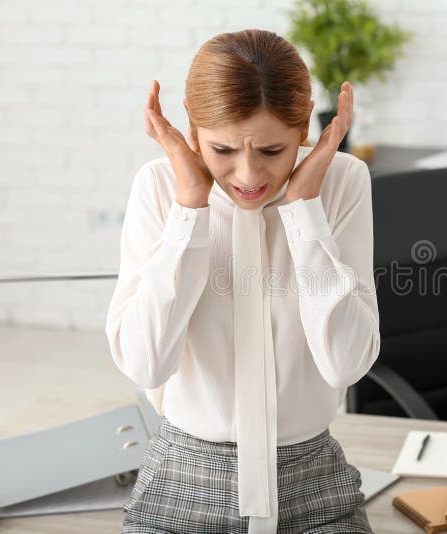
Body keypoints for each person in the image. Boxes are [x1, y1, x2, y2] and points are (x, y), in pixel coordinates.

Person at [105, 29, 380, 533]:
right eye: (223, 149)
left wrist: (304, 211)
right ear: (192, 129)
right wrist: (190, 209)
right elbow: (146, 363)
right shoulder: (159, 188)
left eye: (272, 150)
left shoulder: (342, 182)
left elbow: (346, 364)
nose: (248, 174)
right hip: (180, 479)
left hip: (313, 482)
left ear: (303, 129)